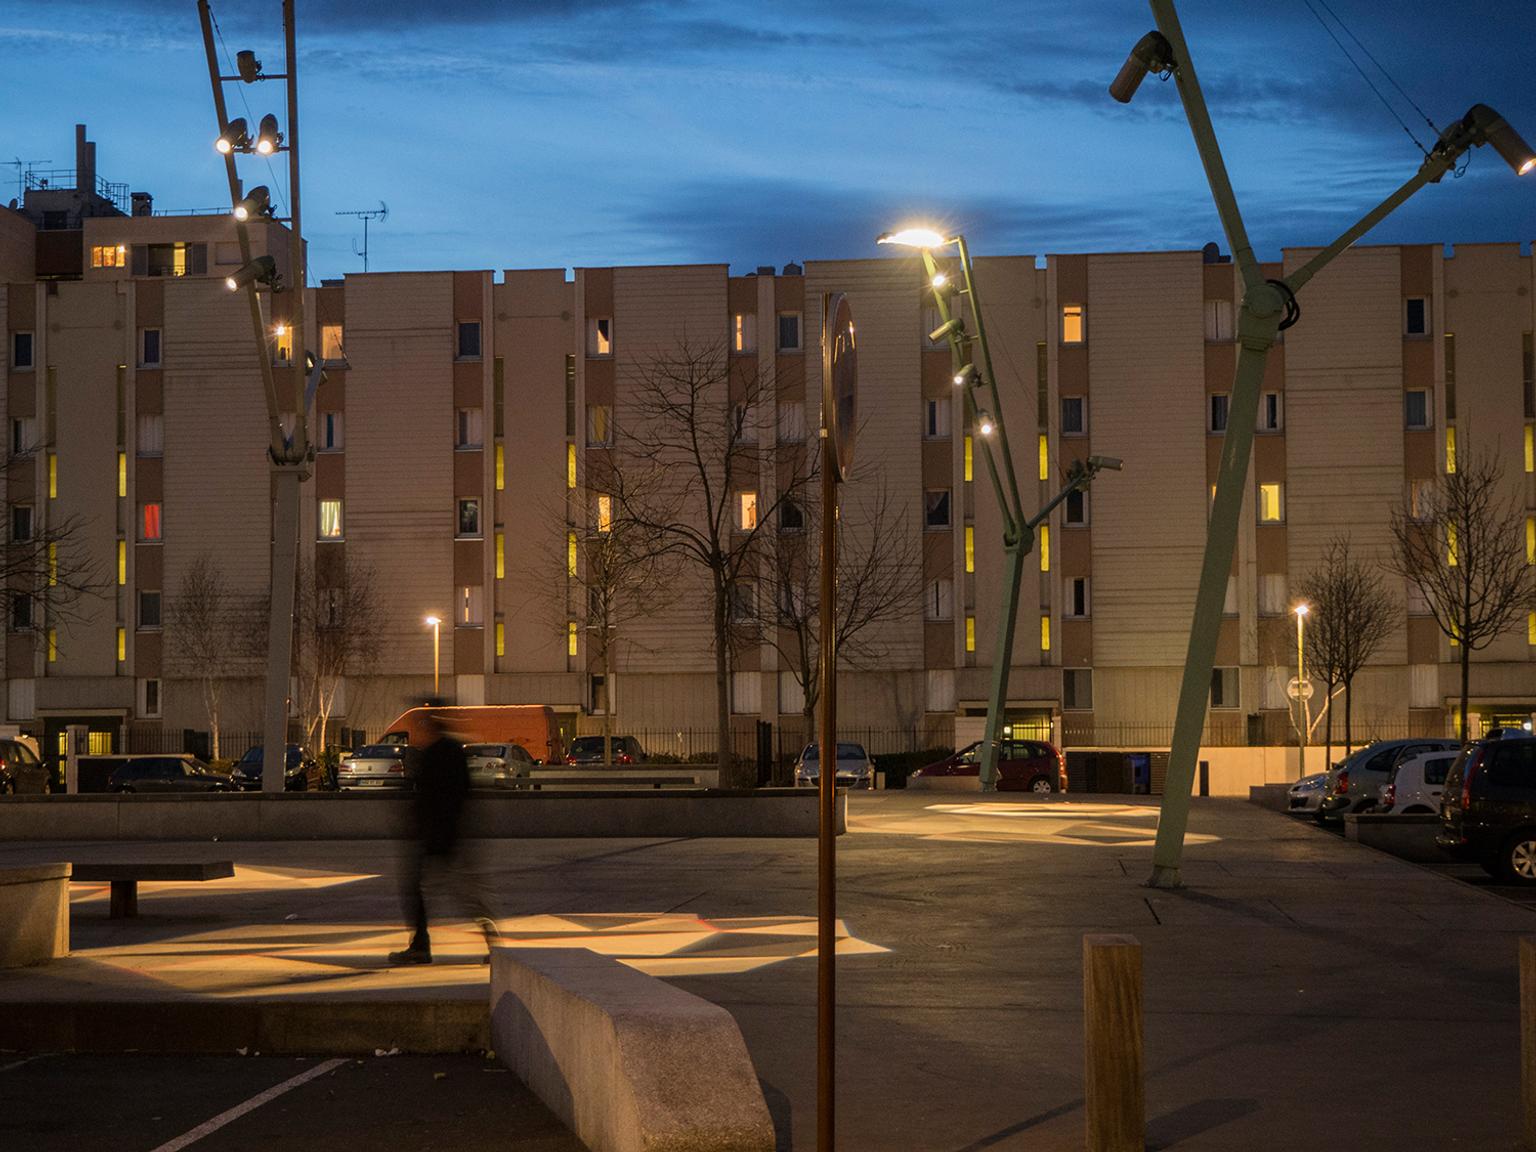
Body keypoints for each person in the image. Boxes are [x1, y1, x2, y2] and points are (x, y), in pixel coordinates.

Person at [389, 708, 498, 964]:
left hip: (439, 834)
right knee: (462, 894)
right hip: (449, 832)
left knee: (428, 891)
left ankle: (421, 946)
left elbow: (429, 795)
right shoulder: (452, 751)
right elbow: (464, 790)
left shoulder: (436, 753)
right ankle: (491, 942)